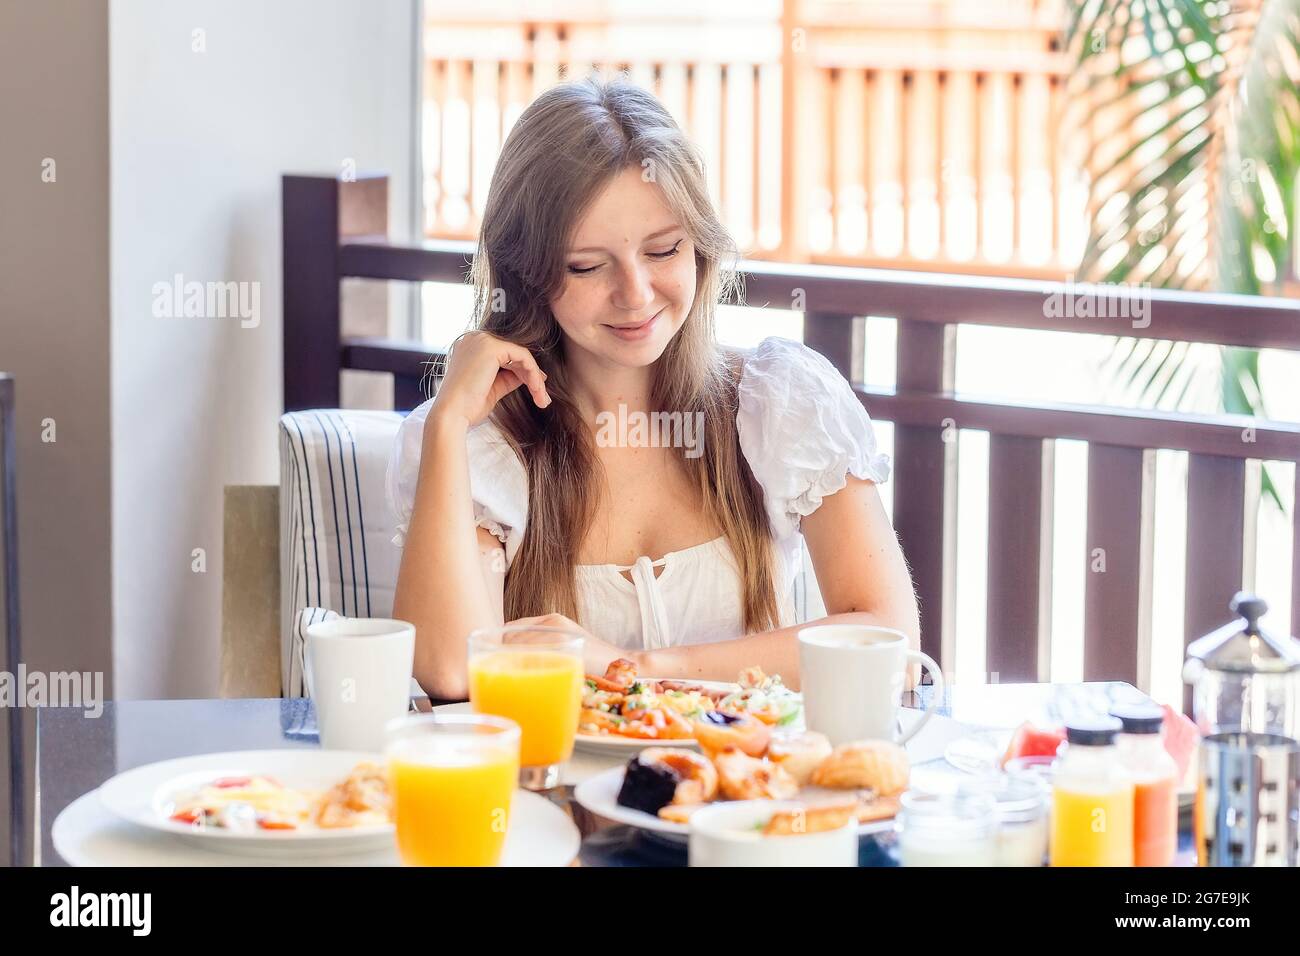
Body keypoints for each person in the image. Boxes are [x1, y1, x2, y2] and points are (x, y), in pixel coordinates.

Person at [388, 76, 919, 700]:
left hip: (743, 793)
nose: (636, 295)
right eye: (587, 265)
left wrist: (632, 666)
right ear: (527, 273)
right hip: (553, 793)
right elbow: (450, 673)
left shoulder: (779, 402)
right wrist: (449, 424)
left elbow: (892, 646)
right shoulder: (485, 448)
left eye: (664, 251)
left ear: (700, 246)